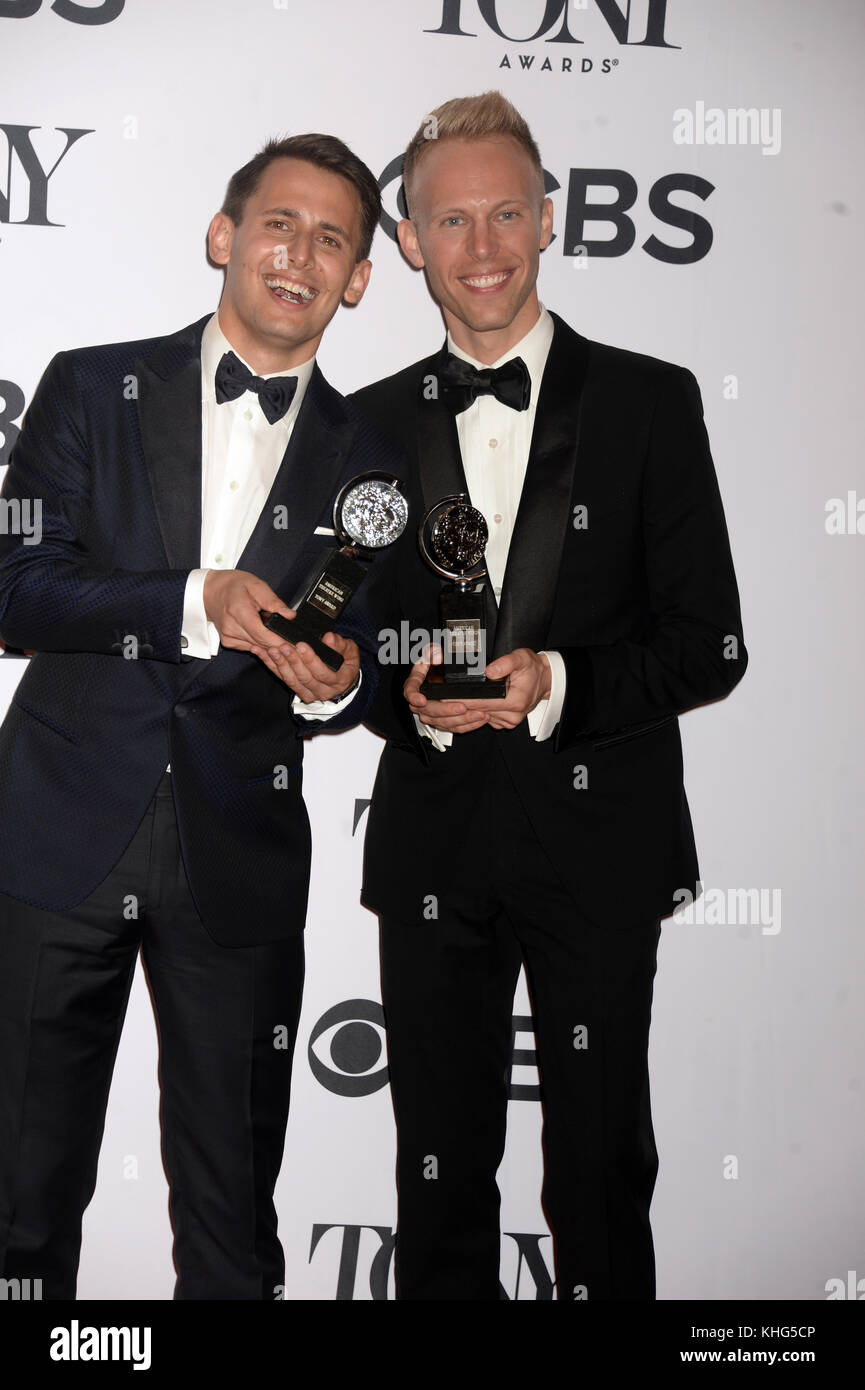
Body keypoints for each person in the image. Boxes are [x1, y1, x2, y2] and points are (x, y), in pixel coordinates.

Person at [352, 92, 748, 1301]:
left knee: (600, 1173)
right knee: (437, 1181)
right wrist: (405, 695)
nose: (482, 246)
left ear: (550, 219)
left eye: (506, 214)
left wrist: (557, 680)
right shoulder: (363, 426)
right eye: (450, 220)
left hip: (600, 844)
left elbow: (710, 645)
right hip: (434, 846)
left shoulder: (649, 401)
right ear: (410, 241)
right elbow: (348, 647)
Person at [0, 133, 401, 1300]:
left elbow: (378, 656)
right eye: (279, 224)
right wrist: (195, 601)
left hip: (238, 860)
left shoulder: (377, 454)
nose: (300, 256)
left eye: (332, 240)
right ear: (225, 236)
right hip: (56, 836)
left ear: (358, 279)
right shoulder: (92, 384)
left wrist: (345, 682)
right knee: (19, 1198)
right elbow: (17, 588)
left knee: (232, 1224)